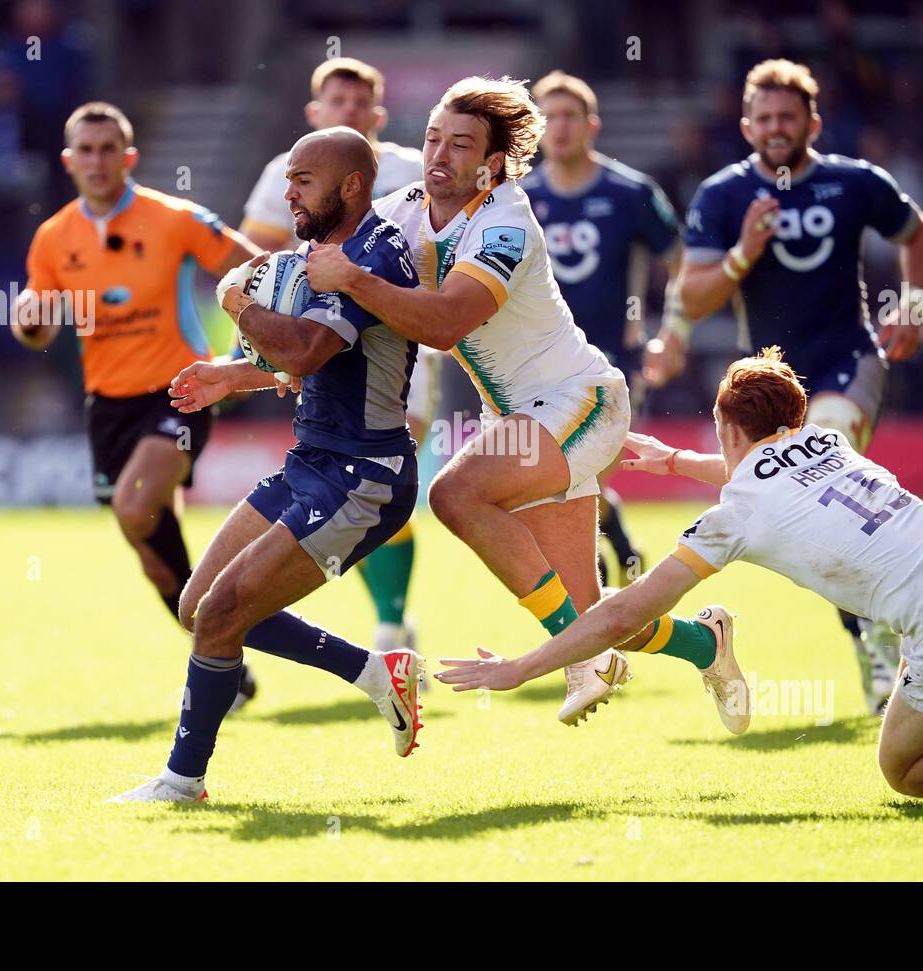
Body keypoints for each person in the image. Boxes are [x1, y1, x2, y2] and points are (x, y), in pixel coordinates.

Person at [439, 348, 923, 803]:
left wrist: (521, 667)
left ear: (726, 428)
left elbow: (621, 613)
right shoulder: (825, 440)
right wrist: (677, 461)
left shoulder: (736, 512)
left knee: (905, 770)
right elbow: (765, 476)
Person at [305, 76, 687, 726]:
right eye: (432, 138)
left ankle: (580, 654)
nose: (439, 155)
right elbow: (329, 261)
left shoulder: (505, 222)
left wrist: (356, 279)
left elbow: (446, 322)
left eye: (460, 144)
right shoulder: (405, 207)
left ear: (494, 163)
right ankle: (706, 640)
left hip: (581, 399)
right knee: (594, 611)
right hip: (521, 419)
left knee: (455, 495)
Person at [108, 128, 425, 803]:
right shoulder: (322, 253)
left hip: (363, 476)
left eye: (302, 180)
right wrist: (230, 377)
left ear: (350, 186)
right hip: (313, 461)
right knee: (201, 605)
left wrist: (239, 306)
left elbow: (307, 350)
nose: (288, 192)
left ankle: (183, 779)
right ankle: (375, 672)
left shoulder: (371, 256)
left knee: (225, 609)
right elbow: (300, 363)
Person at [654, 59, 923, 713]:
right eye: (766, 118)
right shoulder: (723, 195)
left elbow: (917, 234)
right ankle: (874, 633)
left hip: (848, 360)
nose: (777, 128)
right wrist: (741, 254)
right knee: (818, 517)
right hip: (773, 385)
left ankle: (887, 637)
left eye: (789, 117)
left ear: (813, 122)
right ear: (746, 125)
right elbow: (692, 296)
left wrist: (915, 305)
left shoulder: (853, 181)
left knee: (828, 464)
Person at [14, 101, 260, 707]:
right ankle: (222, 655)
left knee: (135, 502)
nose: (97, 161)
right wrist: (29, 322)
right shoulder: (54, 238)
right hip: (108, 405)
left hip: (179, 390)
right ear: (69, 161)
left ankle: (218, 644)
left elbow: (255, 265)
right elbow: (39, 326)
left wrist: (248, 348)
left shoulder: (174, 218)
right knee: (149, 550)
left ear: (128, 157)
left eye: (108, 150)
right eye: (85, 151)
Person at [242, 57, 438, 654]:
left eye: (360, 104)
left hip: (401, 336)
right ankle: (386, 623)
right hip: (318, 339)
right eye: (337, 101)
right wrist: (255, 343)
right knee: (344, 470)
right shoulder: (286, 171)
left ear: (377, 115)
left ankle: (388, 623)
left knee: (382, 456)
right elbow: (258, 254)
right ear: (314, 111)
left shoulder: (409, 168)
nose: (348, 111)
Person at [522, 70, 682, 586]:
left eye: (570, 116)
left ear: (592, 125)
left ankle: (591, 617)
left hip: (616, 358)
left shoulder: (630, 191)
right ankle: (618, 558)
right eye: (549, 117)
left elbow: (683, 265)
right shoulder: (517, 198)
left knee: (580, 480)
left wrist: (673, 334)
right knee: (563, 484)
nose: (560, 127)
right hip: (539, 362)